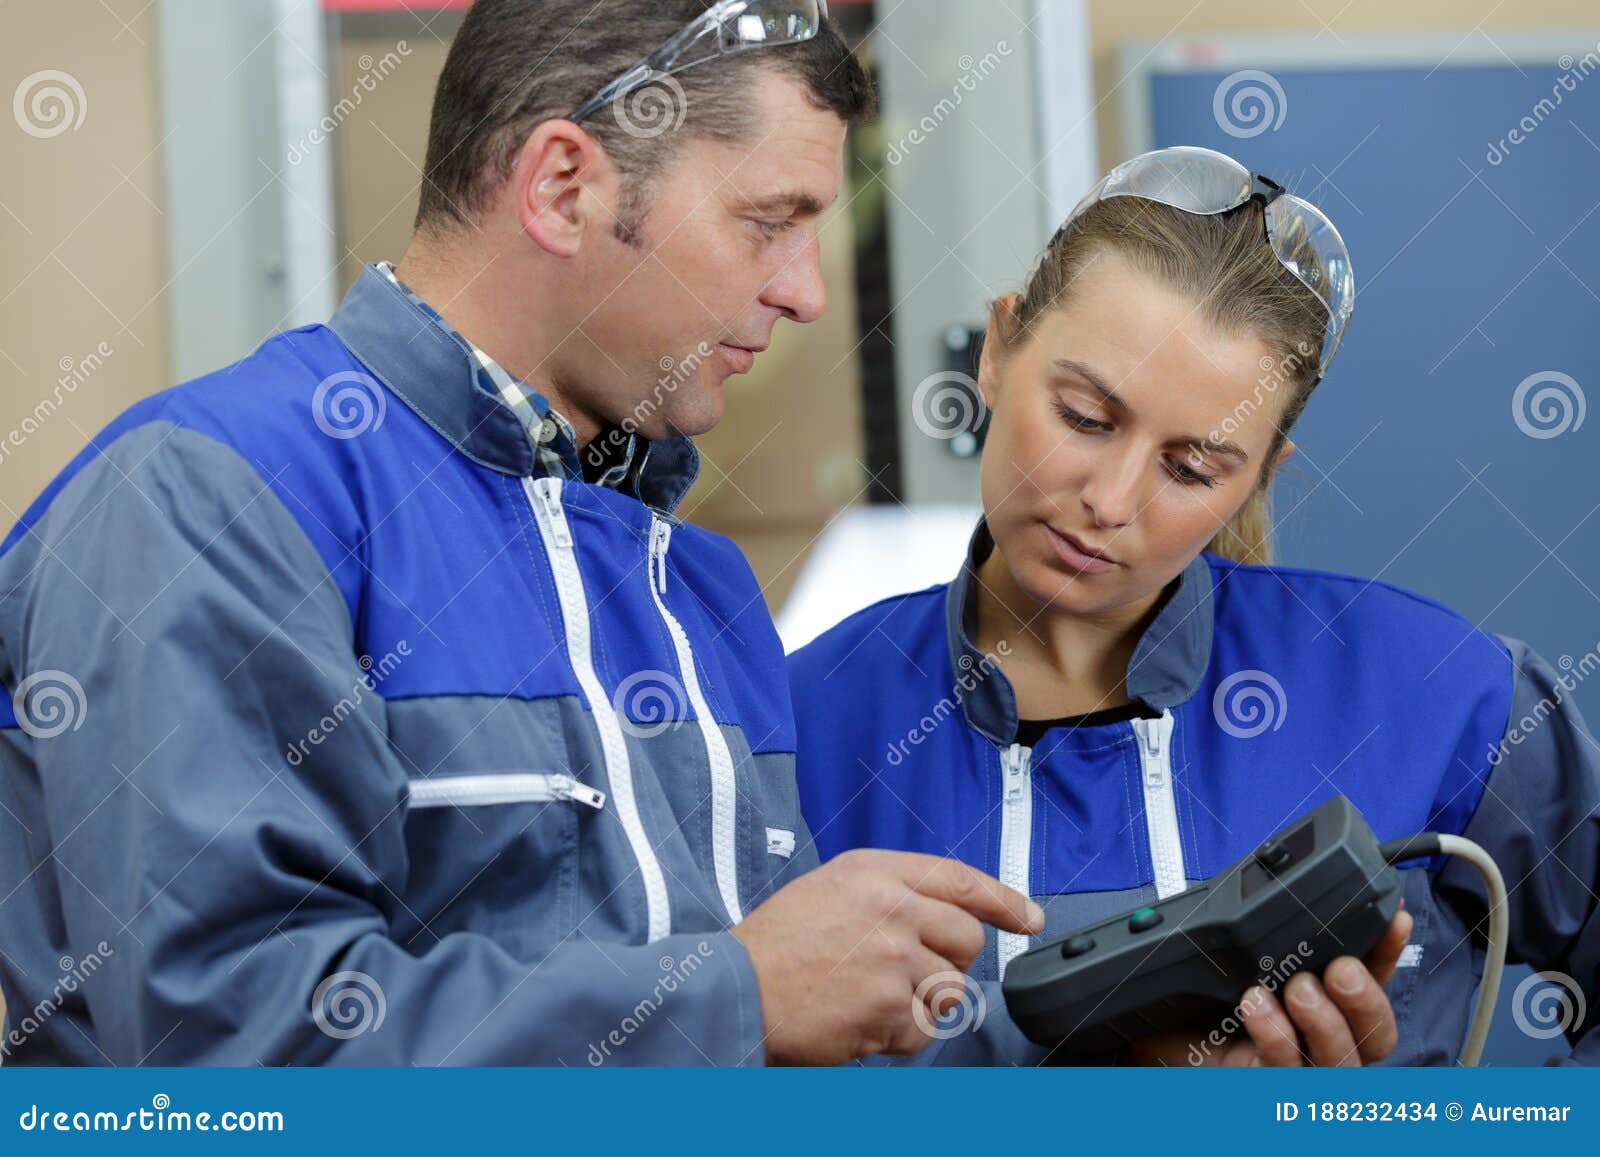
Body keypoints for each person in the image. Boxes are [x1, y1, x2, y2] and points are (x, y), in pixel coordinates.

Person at [0, 1, 1389, 1066]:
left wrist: (1119, 1071)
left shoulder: (695, 591)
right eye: (769, 224)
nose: (802, 291)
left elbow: (739, 1067)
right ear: (560, 188)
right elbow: (224, 1059)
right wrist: (737, 991)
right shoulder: (219, 502)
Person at [789, 146, 1600, 1066]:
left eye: (1191, 468)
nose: (1112, 500)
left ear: (1258, 478)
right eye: (1086, 418)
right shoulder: (793, 731)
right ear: (998, 347)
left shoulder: (1440, 693)